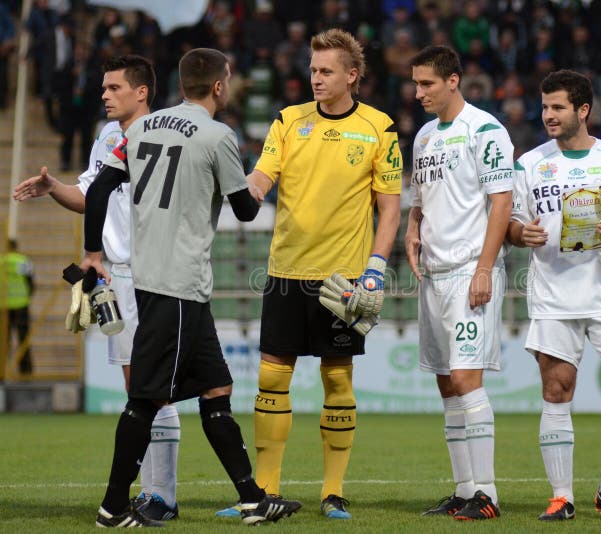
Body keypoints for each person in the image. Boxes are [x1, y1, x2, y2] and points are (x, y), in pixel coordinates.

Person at [80, 47, 301, 527]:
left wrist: (92, 253)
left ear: (181, 85)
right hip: (176, 283)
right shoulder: (219, 135)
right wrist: (259, 184)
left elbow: (98, 190)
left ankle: (253, 500)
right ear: (220, 86)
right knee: (145, 397)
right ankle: (113, 507)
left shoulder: (140, 128)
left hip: (169, 283)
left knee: (216, 389)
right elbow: (245, 210)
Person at [13, 55, 181, 521]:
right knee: (138, 389)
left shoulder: (167, 133)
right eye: (103, 88)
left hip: (161, 273)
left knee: (157, 388)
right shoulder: (108, 138)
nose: (103, 94)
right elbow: (90, 198)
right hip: (118, 275)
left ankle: (162, 496)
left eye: (113, 87)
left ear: (141, 91)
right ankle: (152, 495)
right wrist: (53, 187)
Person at [243, 28, 401, 520]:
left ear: (352, 75)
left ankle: (332, 493)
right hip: (286, 271)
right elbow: (259, 182)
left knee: (338, 380)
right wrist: (233, 184)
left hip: (343, 281)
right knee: (272, 377)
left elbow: (390, 209)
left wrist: (375, 269)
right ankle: (265, 492)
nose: (315, 78)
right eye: (312, 70)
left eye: (326, 70)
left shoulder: (380, 127)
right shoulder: (288, 121)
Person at [507, 69, 601, 521]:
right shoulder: (529, 163)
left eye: (557, 107)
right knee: (557, 390)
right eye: (545, 107)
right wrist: (522, 233)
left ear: (583, 110)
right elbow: (510, 222)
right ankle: (562, 496)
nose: (547, 115)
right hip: (554, 295)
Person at [405, 45, 512, 521]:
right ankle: (464, 488)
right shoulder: (425, 136)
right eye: (415, 83)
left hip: (471, 269)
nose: (418, 92)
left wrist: (486, 268)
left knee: (468, 379)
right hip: (435, 273)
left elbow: (502, 203)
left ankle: (486, 492)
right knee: (448, 384)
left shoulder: (485, 130)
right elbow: (422, 196)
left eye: (427, 83)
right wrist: (412, 226)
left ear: (453, 80)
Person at [1, 240, 33, 375]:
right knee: (23, 339)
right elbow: (31, 282)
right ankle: (25, 371)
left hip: (3, 307)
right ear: (16, 247)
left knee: (3, 341)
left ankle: (2, 371)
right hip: (21, 305)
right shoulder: (23, 261)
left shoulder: (2, 262)